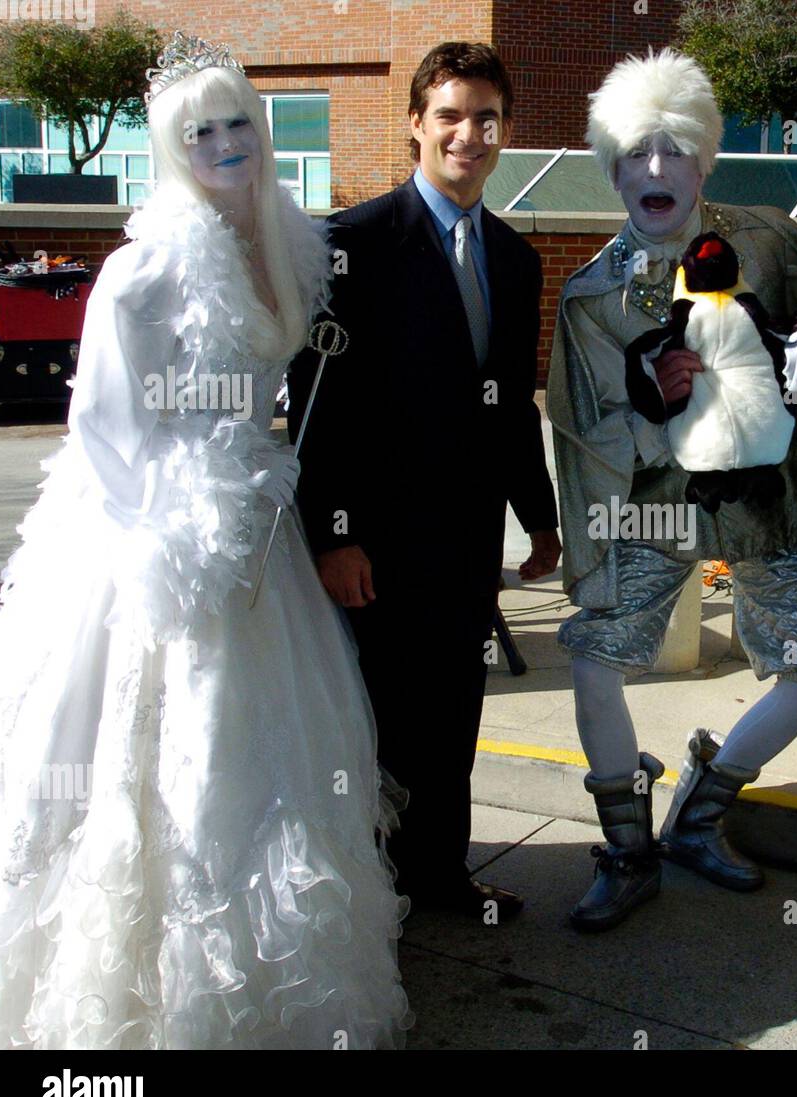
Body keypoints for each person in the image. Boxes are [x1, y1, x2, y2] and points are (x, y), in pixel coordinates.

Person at [0, 33, 411, 1048]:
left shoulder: (283, 244)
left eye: (238, 124)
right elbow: (101, 422)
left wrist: (244, 492)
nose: (227, 143)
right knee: (159, 744)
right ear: (172, 150)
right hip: (157, 538)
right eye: (202, 131)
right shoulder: (143, 269)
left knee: (267, 751)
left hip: (257, 524)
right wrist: (172, 530)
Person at [546, 48, 797, 932]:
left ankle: (699, 812)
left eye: (675, 151)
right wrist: (649, 410)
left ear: (705, 160)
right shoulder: (592, 294)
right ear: (614, 168)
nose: (656, 170)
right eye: (636, 153)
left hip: (763, 502)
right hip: (655, 506)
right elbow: (578, 421)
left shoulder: (775, 242)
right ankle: (627, 852)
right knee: (594, 662)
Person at [287, 42, 560, 922]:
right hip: (375, 542)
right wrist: (331, 533)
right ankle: (365, 902)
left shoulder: (516, 261)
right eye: (449, 115)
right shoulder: (349, 246)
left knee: (452, 718)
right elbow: (317, 409)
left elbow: (514, 402)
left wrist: (541, 518)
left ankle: (440, 876)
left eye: (486, 118)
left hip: (469, 537)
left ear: (506, 130)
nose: (468, 135)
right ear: (415, 122)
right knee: (373, 729)